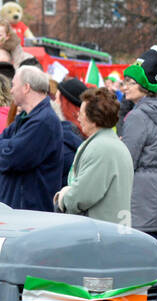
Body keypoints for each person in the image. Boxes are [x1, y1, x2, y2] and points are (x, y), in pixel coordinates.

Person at [119, 46, 157, 272]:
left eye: (130, 82)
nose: (125, 87)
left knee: (144, 270)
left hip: (144, 201)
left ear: (144, 86)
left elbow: (127, 161)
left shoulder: (136, 116)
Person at [0, 65, 65, 211]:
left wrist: (10, 147)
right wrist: (12, 145)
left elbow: (11, 159)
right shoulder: (25, 118)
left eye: (13, 85)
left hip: (29, 214)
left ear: (26, 88)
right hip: (15, 208)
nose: (11, 90)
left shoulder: (44, 122)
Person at [54, 87, 133, 225]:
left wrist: (63, 197)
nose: (78, 117)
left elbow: (82, 196)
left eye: (82, 113)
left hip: (99, 233)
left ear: (94, 119)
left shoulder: (101, 148)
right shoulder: (111, 143)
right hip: (109, 230)